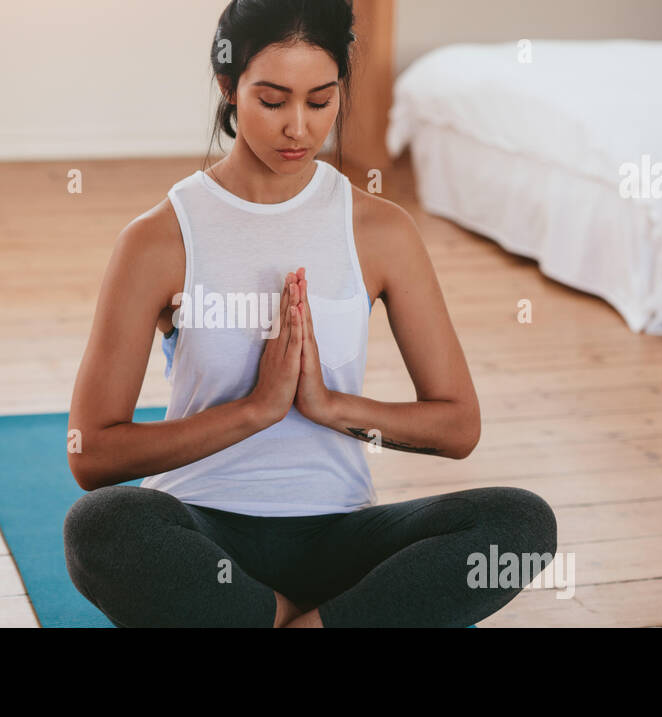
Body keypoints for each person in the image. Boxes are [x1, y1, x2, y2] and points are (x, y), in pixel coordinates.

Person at [63, 0, 556, 627]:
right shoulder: (160, 239)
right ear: (227, 85)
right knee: (100, 526)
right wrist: (255, 410)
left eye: (320, 102)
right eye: (272, 102)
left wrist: (329, 406)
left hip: (337, 538)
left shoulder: (380, 229)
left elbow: (457, 427)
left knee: (519, 524)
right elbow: (91, 454)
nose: (298, 127)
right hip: (203, 534)